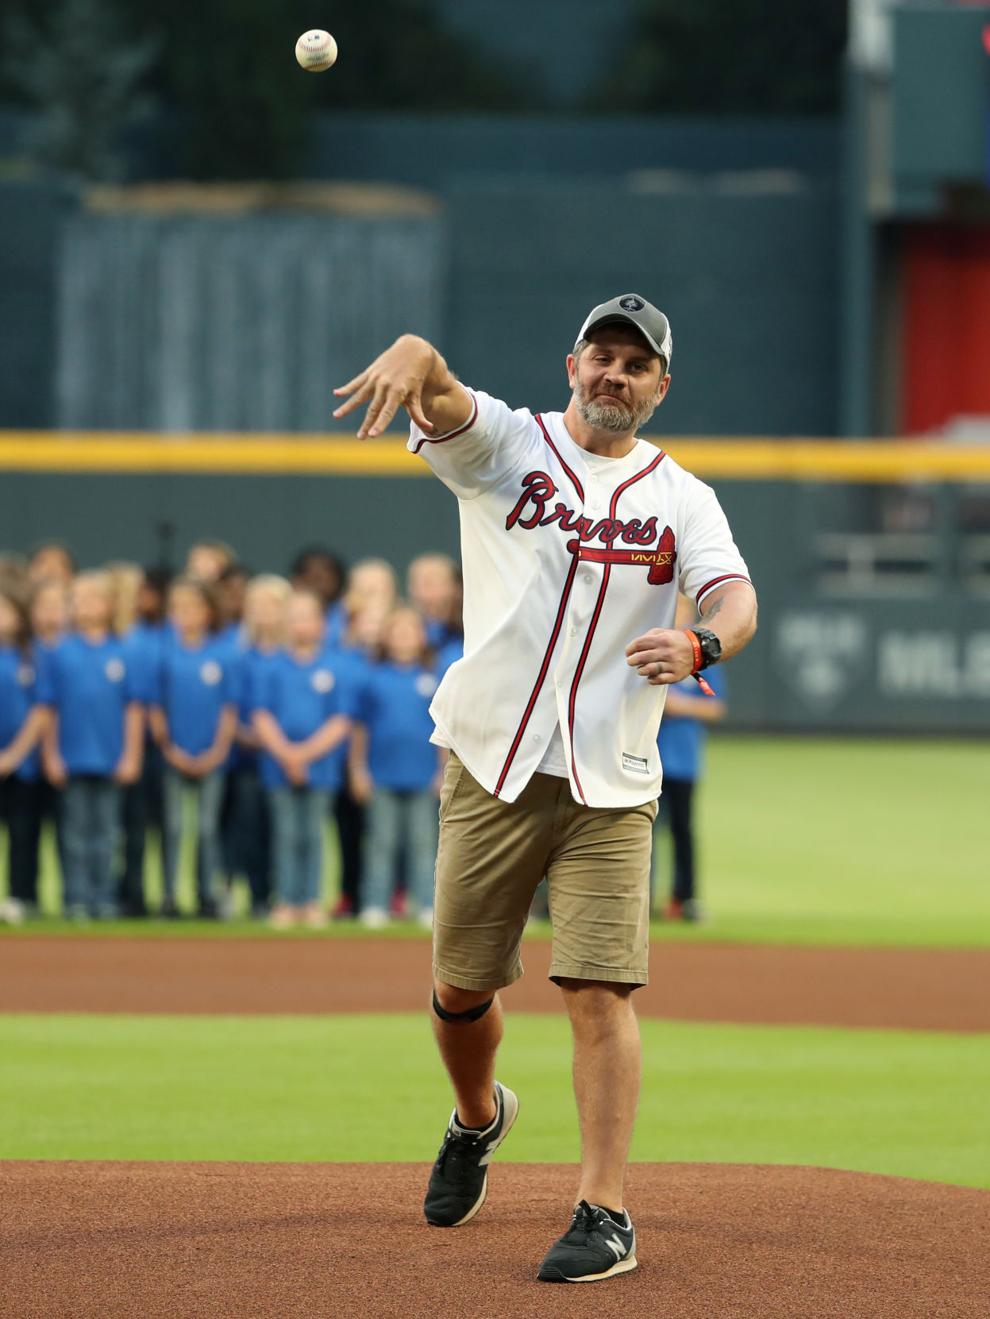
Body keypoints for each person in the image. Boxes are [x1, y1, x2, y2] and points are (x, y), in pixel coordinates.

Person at [333, 293, 757, 1284]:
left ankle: (604, 1208)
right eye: (601, 356)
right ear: (572, 365)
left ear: (661, 385)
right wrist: (411, 348)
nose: (615, 374)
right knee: (458, 988)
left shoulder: (682, 495)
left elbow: (734, 596)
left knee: (598, 984)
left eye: (635, 362)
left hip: (612, 776)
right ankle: (478, 1117)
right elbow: (438, 393)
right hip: (491, 763)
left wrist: (700, 638)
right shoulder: (510, 449)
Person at [34, 572, 144, 920]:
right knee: (74, 833)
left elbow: (134, 708)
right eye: (79, 600)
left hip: (111, 759)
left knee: (108, 833)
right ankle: (76, 898)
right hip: (72, 757)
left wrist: (131, 754)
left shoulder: (122, 651)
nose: (86, 606)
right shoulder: (59, 652)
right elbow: (48, 710)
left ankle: (104, 897)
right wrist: (51, 754)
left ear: (110, 606)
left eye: (94, 599)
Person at [252, 589, 354, 929]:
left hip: (321, 769)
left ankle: (311, 900)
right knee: (285, 835)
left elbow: (341, 721)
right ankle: (285, 899)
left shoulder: (335, 666)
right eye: (294, 618)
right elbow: (261, 716)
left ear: (322, 624)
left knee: (313, 835)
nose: (301, 625)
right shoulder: (271, 666)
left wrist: (305, 755)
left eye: (308, 617)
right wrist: (286, 754)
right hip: (277, 768)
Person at [149, 577, 238, 918]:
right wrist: (170, 749)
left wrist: (216, 751)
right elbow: (156, 707)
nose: (185, 615)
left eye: (192, 608)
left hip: (212, 757)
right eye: (178, 608)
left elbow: (229, 709)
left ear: (208, 612)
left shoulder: (223, 655)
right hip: (175, 756)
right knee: (172, 827)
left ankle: (207, 894)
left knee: (206, 828)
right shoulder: (166, 656)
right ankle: (169, 895)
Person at [350, 606, 442, 929]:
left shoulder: (433, 678)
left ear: (421, 638)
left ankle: (426, 905)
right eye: (397, 631)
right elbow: (359, 729)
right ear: (386, 638)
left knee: (423, 844)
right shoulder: (372, 679)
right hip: (381, 776)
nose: (403, 638)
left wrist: (442, 772)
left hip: (421, 776)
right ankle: (375, 903)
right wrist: (358, 769)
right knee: (380, 843)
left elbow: (443, 730)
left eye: (410, 631)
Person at [654, 595, 728, 923]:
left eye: (681, 607)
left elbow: (715, 706)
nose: (677, 613)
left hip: (683, 759)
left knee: (683, 831)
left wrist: (677, 707)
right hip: (646, 758)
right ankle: (641, 900)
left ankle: (684, 899)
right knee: (643, 834)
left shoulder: (699, 656)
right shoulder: (649, 646)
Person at [0, 586, 45, 922]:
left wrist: (14, 755)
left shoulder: (32, 657)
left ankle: (21, 896)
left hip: (23, 764)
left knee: (23, 832)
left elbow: (41, 710)